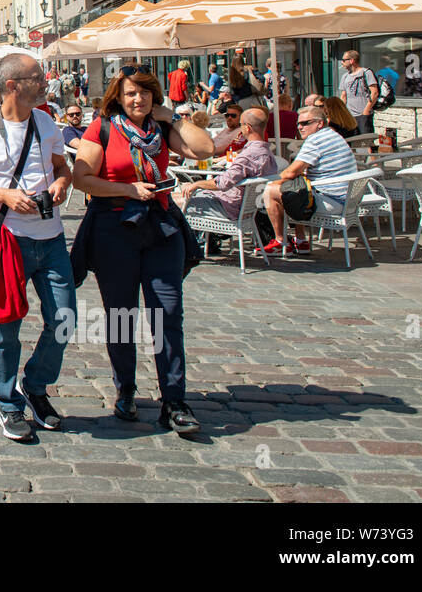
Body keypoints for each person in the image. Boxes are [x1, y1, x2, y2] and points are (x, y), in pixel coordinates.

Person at [71, 64, 214, 435]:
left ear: (154, 96)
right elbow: (82, 178)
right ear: (118, 96)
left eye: (145, 93)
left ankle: (174, 401)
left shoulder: (161, 129)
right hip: (113, 228)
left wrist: (174, 118)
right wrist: (126, 189)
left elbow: (206, 148)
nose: (138, 99)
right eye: (131, 93)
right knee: (121, 316)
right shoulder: (102, 127)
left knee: (168, 313)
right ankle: (126, 390)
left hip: (160, 226)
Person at [0, 54, 74, 442]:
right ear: (12, 86)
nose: (45, 83)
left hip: (51, 238)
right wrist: (3, 195)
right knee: (7, 326)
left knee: (64, 319)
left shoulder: (46, 122)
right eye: (37, 78)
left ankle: (35, 385)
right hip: (8, 241)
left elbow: (62, 167)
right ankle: (9, 403)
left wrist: (60, 184)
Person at [260, 103, 358, 257]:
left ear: (319, 124)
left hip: (332, 201)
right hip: (345, 198)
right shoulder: (333, 135)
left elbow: (291, 172)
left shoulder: (316, 140)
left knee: (270, 191)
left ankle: (280, 242)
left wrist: (272, 182)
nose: (300, 127)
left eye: (305, 123)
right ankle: (301, 241)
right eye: (298, 123)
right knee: (296, 189)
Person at [181, 108, 275, 255]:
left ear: (247, 128)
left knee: (179, 201)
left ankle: (187, 247)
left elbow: (222, 183)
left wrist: (196, 184)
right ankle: (199, 242)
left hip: (229, 208)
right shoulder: (267, 153)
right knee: (186, 196)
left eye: (242, 124)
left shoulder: (248, 155)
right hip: (248, 209)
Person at [338, 49, 377, 135]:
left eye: (344, 60)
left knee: (366, 141)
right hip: (350, 116)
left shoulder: (366, 73)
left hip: (363, 115)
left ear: (351, 60)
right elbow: (343, 96)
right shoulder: (345, 77)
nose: (342, 62)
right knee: (352, 141)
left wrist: (366, 111)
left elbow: (374, 93)